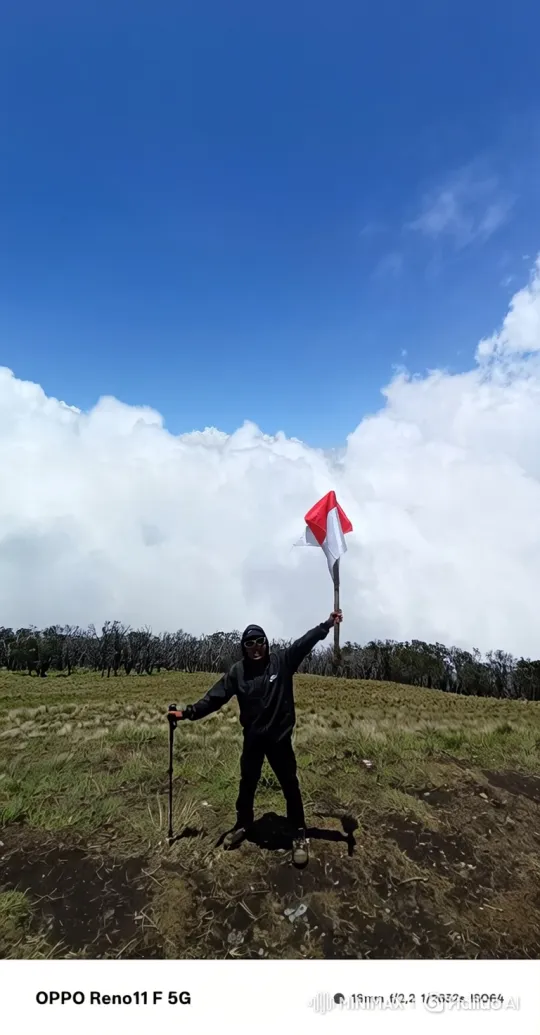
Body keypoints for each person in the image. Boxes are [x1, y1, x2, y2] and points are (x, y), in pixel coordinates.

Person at [172, 610, 343, 867]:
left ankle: (298, 834)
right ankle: (243, 825)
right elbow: (215, 698)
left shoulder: (282, 662)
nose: (255, 647)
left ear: (266, 643)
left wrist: (328, 624)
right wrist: (188, 713)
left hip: (279, 739)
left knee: (289, 785)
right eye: (249, 643)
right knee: (247, 783)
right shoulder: (237, 673)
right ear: (243, 647)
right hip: (253, 739)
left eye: (259, 641)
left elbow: (305, 643)